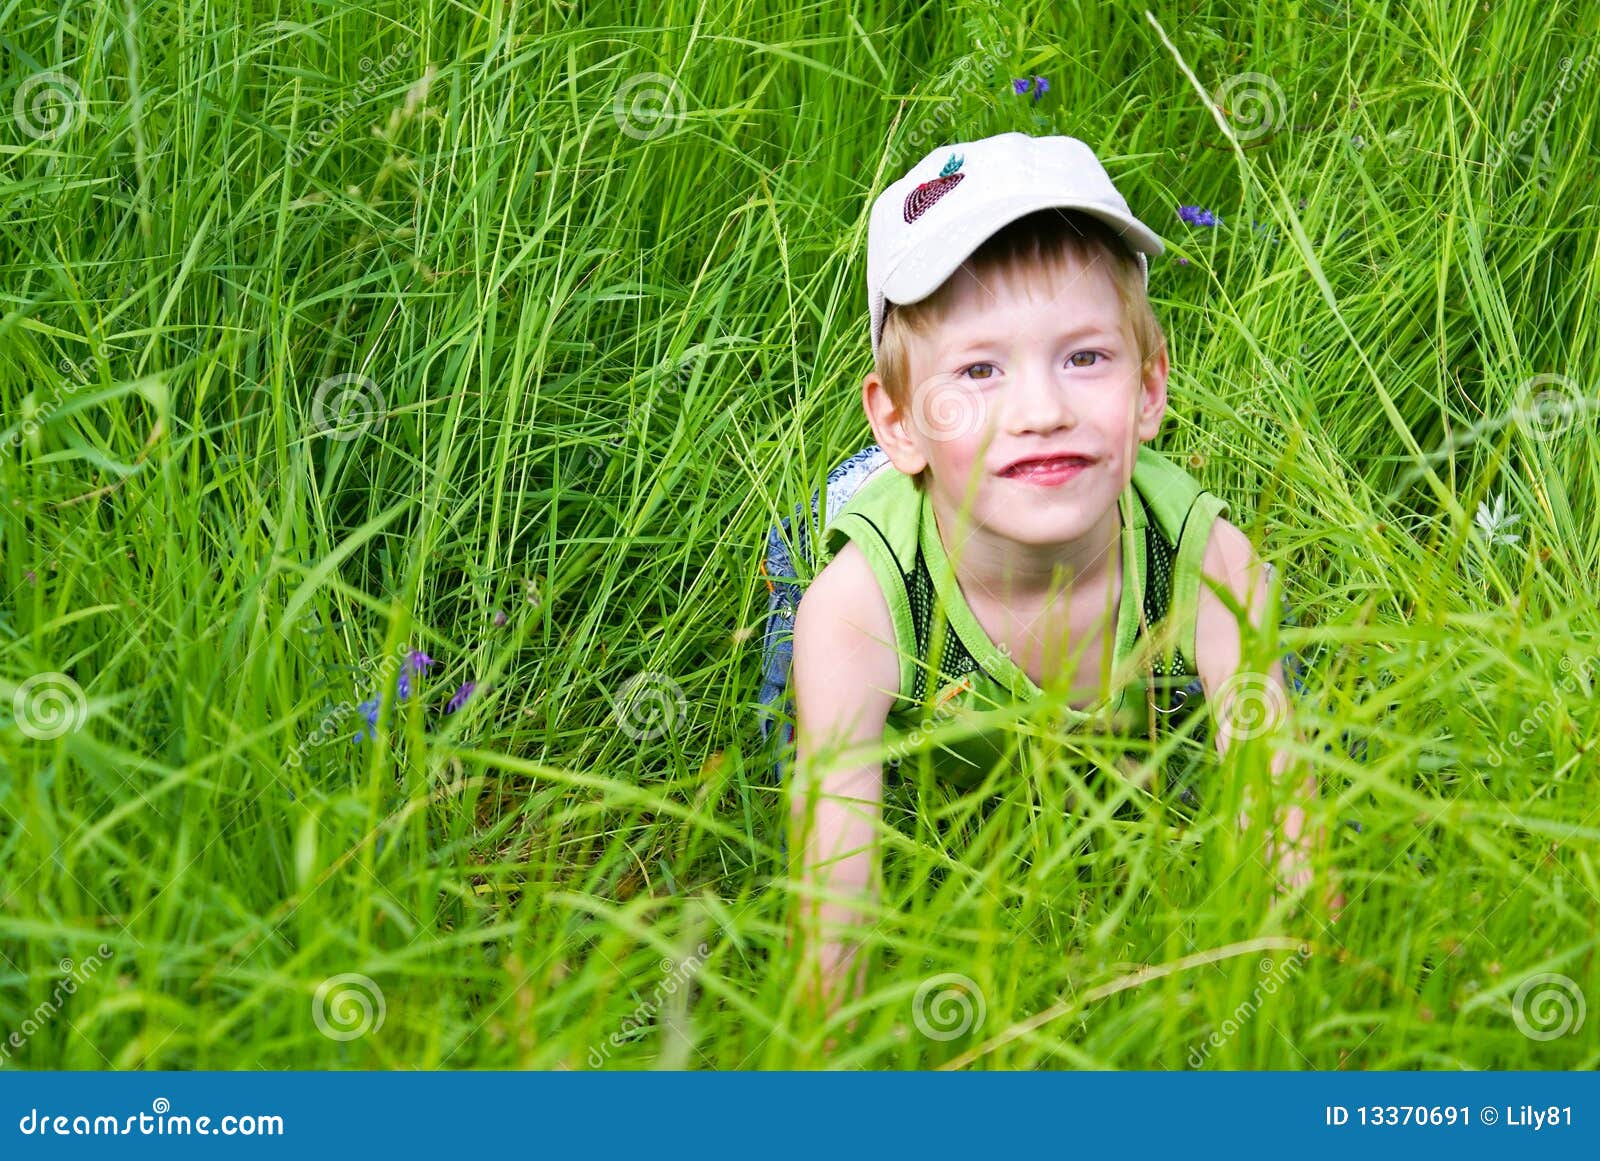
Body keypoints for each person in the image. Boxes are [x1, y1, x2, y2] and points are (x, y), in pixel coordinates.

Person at [767, 132, 1342, 1020]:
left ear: (1149, 390)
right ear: (899, 422)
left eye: (1085, 358)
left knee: (1209, 741)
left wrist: (1300, 1011)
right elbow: (832, 888)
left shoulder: (1212, 561)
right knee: (799, 704)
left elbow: (1283, 823)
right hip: (906, 560)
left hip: (1078, 545)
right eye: (980, 370)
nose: (1042, 411)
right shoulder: (860, 609)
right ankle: (864, 488)